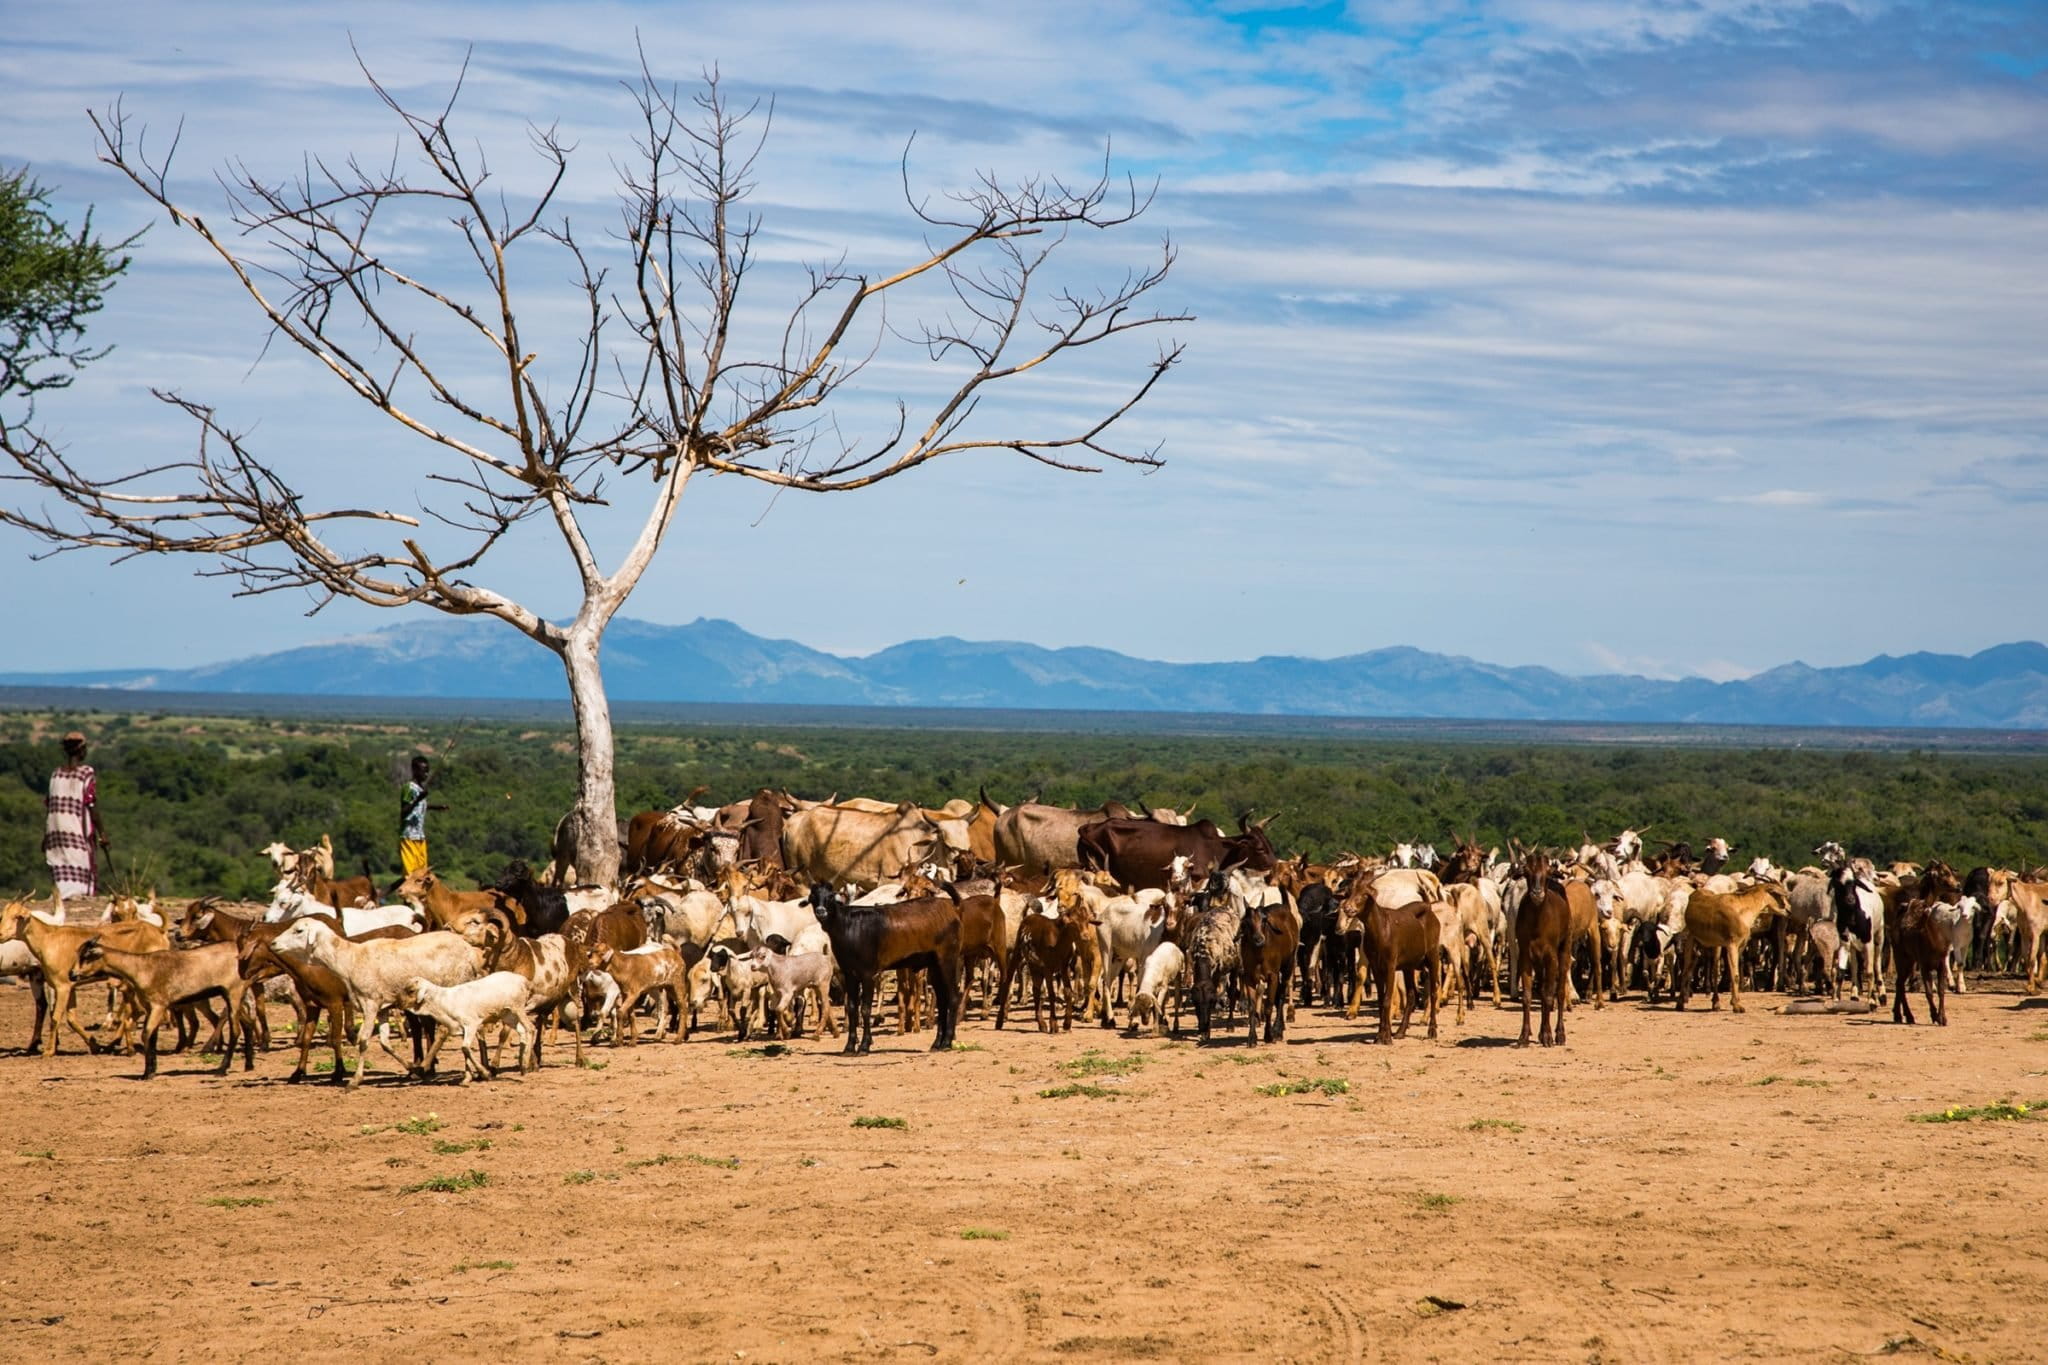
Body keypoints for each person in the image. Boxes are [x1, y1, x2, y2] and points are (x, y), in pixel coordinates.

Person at [44, 731, 108, 907]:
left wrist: (45, 836)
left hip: (55, 830)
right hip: (75, 828)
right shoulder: (86, 773)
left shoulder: (55, 774)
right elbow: (91, 805)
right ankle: (78, 895)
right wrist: (102, 833)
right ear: (81, 750)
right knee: (81, 859)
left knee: (59, 862)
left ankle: (62, 894)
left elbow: (49, 805)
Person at [398, 755, 448, 876]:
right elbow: (404, 812)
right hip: (408, 836)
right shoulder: (409, 788)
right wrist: (418, 799)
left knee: (422, 873)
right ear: (415, 770)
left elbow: (420, 807)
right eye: (423, 771)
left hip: (420, 837)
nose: (426, 774)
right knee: (412, 875)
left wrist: (437, 807)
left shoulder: (421, 789)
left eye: (428, 771)